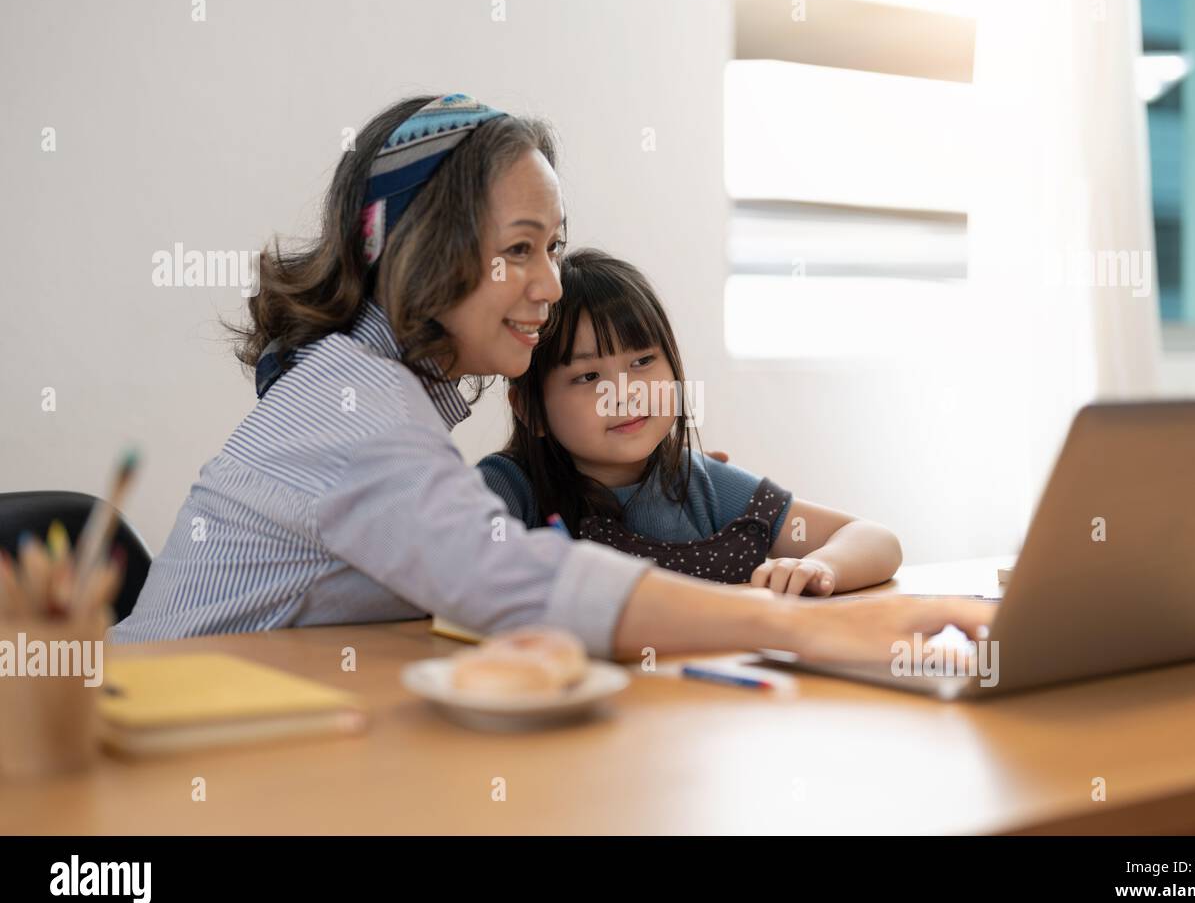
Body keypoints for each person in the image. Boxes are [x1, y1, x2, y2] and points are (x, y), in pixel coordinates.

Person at [111, 93, 993, 663]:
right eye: (520, 250)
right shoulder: (354, 403)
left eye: (555, 249)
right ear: (431, 249)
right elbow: (513, 576)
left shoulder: (378, 387)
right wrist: (801, 630)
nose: (552, 284)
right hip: (142, 747)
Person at [480, 248, 903, 595]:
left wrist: (819, 568)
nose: (626, 392)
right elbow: (445, 561)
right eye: (588, 376)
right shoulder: (513, 487)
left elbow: (876, 540)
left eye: (643, 361)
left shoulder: (702, 483)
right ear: (530, 409)